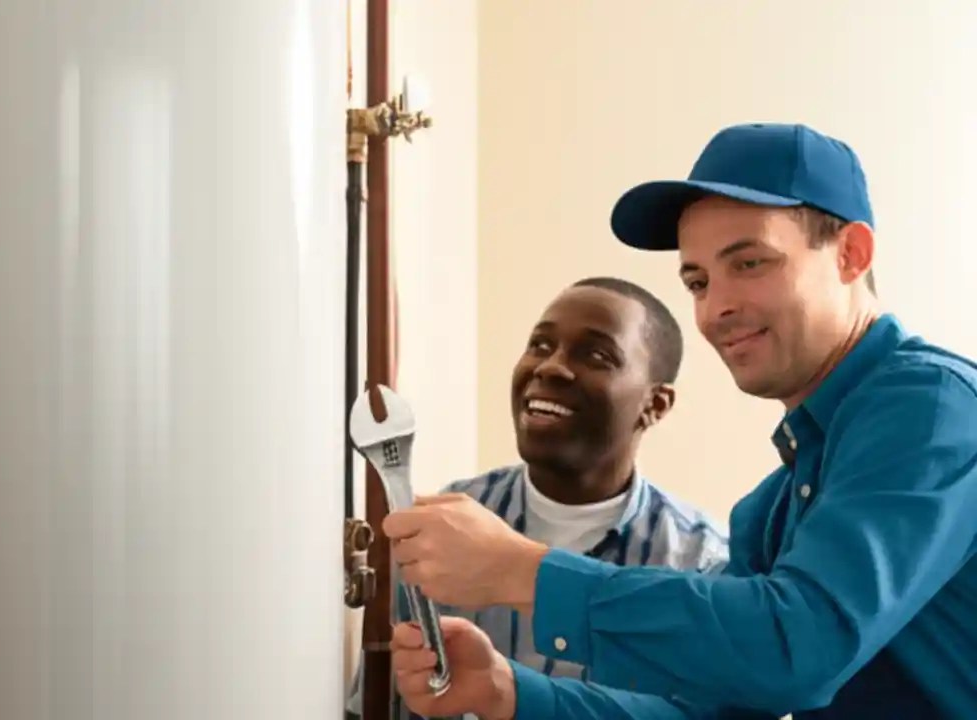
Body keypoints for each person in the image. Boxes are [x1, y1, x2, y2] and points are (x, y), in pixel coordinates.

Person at [384, 122, 977, 719]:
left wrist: (523, 573)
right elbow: (717, 710)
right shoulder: (777, 503)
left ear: (851, 254)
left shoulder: (930, 406)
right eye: (698, 280)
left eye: (749, 263)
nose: (717, 307)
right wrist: (508, 694)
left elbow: (798, 649)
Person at [348, 277, 729, 720]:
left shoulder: (703, 563)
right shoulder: (440, 528)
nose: (550, 367)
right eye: (540, 345)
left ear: (655, 405)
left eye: (597, 355)